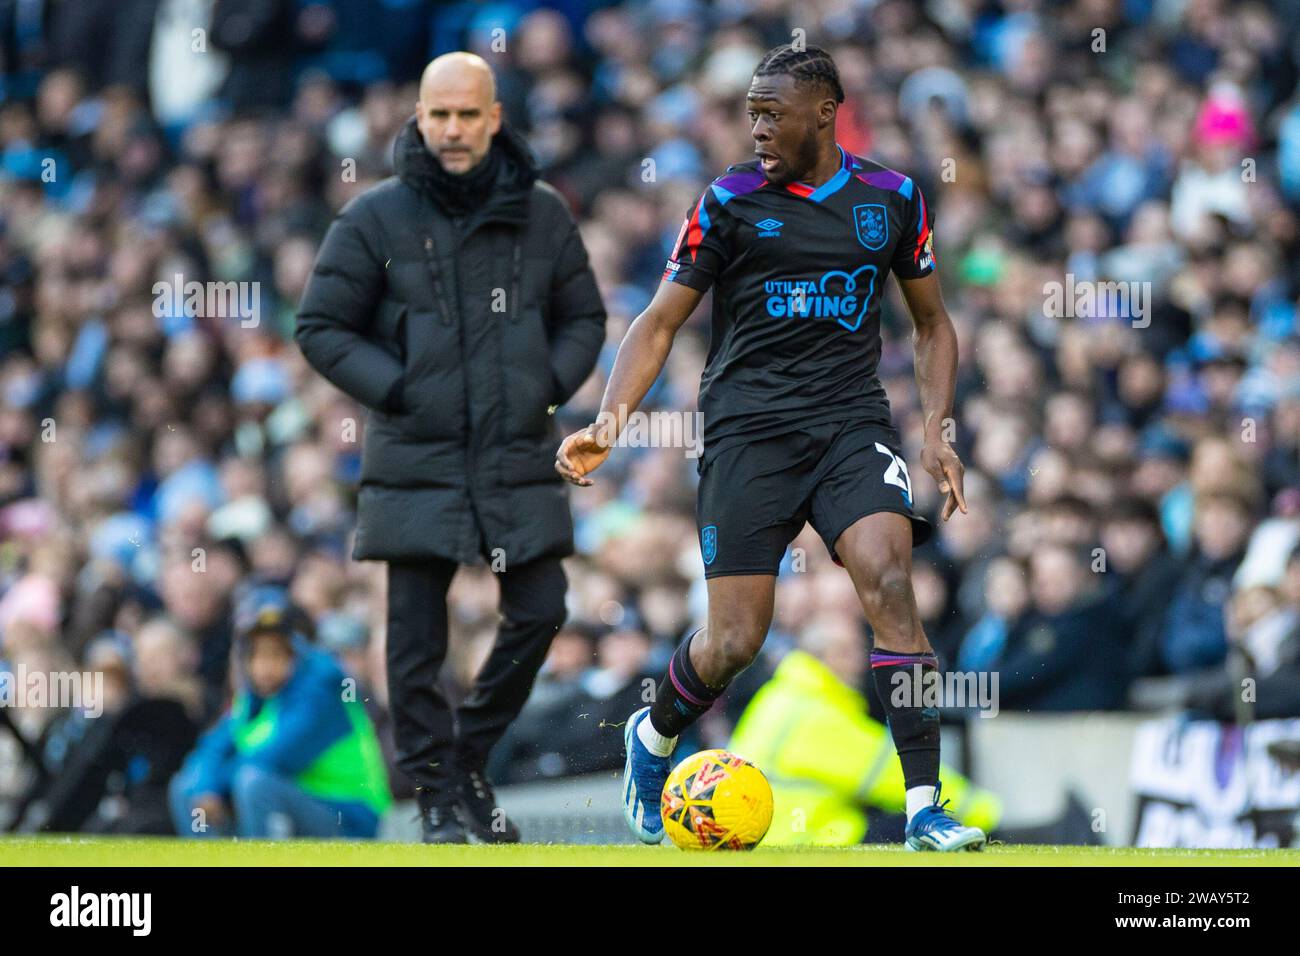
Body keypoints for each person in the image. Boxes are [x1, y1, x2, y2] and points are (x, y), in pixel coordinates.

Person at [557, 45, 985, 851]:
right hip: (748, 434)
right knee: (733, 642)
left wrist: (937, 429)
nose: (756, 127)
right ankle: (651, 738)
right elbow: (659, 320)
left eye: (771, 112)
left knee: (890, 580)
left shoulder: (891, 198)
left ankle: (924, 807)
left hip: (851, 426)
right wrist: (611, 420)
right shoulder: (729, 200)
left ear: (823, 112)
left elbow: (931, 324)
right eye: (751, 112)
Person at [295, 52, 605, 842]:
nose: (453, 129)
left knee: (542, 611)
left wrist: (543, 385)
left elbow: (585, 319)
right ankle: (436, 795)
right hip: (417, 454)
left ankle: (464, 760)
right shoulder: (374, 216)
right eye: (439, 115)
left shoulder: (543, 212)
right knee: (414, 640)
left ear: (495, 116)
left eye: (468, 114)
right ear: (419, 116)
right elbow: (320, 326)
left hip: (514, 450)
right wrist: (400, 390)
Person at [729, 615, 1001, 845]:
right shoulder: (819, 713)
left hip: (767, 835)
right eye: (846, 652)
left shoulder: (780, 694)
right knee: (913, 828)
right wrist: (983, 812)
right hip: (806, 836)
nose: (859, 662)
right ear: (820, 657)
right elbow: (890, 771)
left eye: (859, 651)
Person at [168, 587, 392, 839]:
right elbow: (212, 747)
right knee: (186, 784)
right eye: (256, 655)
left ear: (298, 651)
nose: (265, 666)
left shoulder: (324, 686)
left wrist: (214, 788)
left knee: (253, 782)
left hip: (350, 816)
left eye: (276, 653)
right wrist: (204, 787)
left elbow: (274, 757)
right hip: (297, 801)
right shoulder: (252, 697)